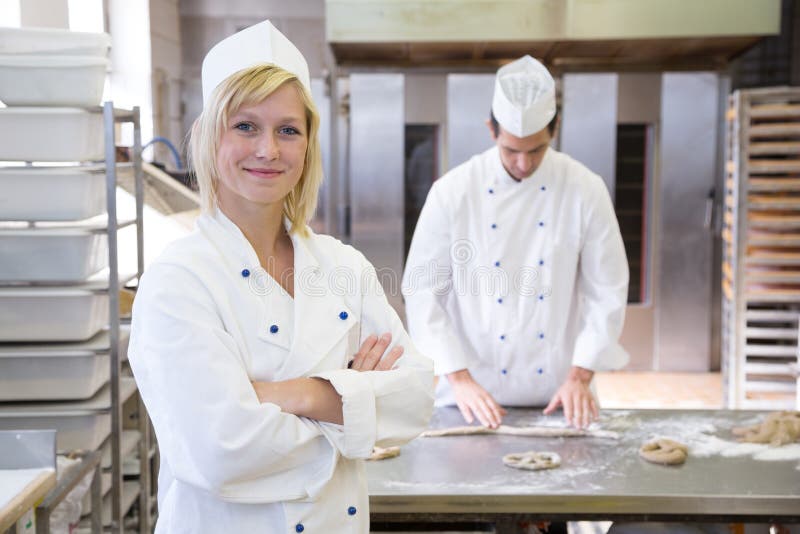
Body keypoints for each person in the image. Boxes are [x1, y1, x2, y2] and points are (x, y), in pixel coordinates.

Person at [128, 20, 434, 533]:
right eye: (245, 126)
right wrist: (354, 404)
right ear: (208, 135)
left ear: (309, 144)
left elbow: (415, 401)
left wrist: (299, 395)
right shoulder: (178, 281)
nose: (268, 149)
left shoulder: (343, 266)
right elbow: (220, 452)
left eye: (287, 129)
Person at [402, 55, 628, 430]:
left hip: (560, 395)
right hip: (469, 398)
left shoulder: (585, 189)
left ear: (553, 131)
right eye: (511, 151)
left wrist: (580, 377)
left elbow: (607, 289)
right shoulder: (454, 191)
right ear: (491, 130)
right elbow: (423, 291)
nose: (524, 163)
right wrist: (458, 379)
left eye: (535, 150)